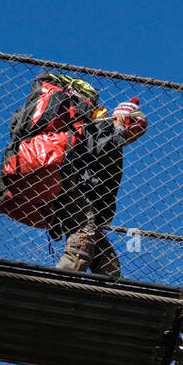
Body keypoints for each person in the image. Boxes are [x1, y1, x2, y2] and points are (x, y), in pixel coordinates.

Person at [54, 98, 148, 279]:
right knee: (80, 248)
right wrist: (119, 129)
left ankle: (105, 297)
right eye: (135, 131)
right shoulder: (101, 126)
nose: (134, 138)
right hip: (80, 195)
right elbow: (102, 152)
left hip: (93, 207)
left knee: (109, 265)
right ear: (125, 120)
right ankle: (57, 286)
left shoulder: (113, 136)